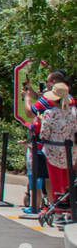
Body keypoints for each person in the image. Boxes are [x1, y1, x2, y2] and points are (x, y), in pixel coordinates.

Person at [36, 81, 76, 212]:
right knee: (68, 182)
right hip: (71, 153)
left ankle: (59, 211)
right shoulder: (74, 112)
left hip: (54, 152)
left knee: (56, 183)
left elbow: (44, 135)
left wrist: (42, 121)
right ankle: (70, 211)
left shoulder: (50, 113)